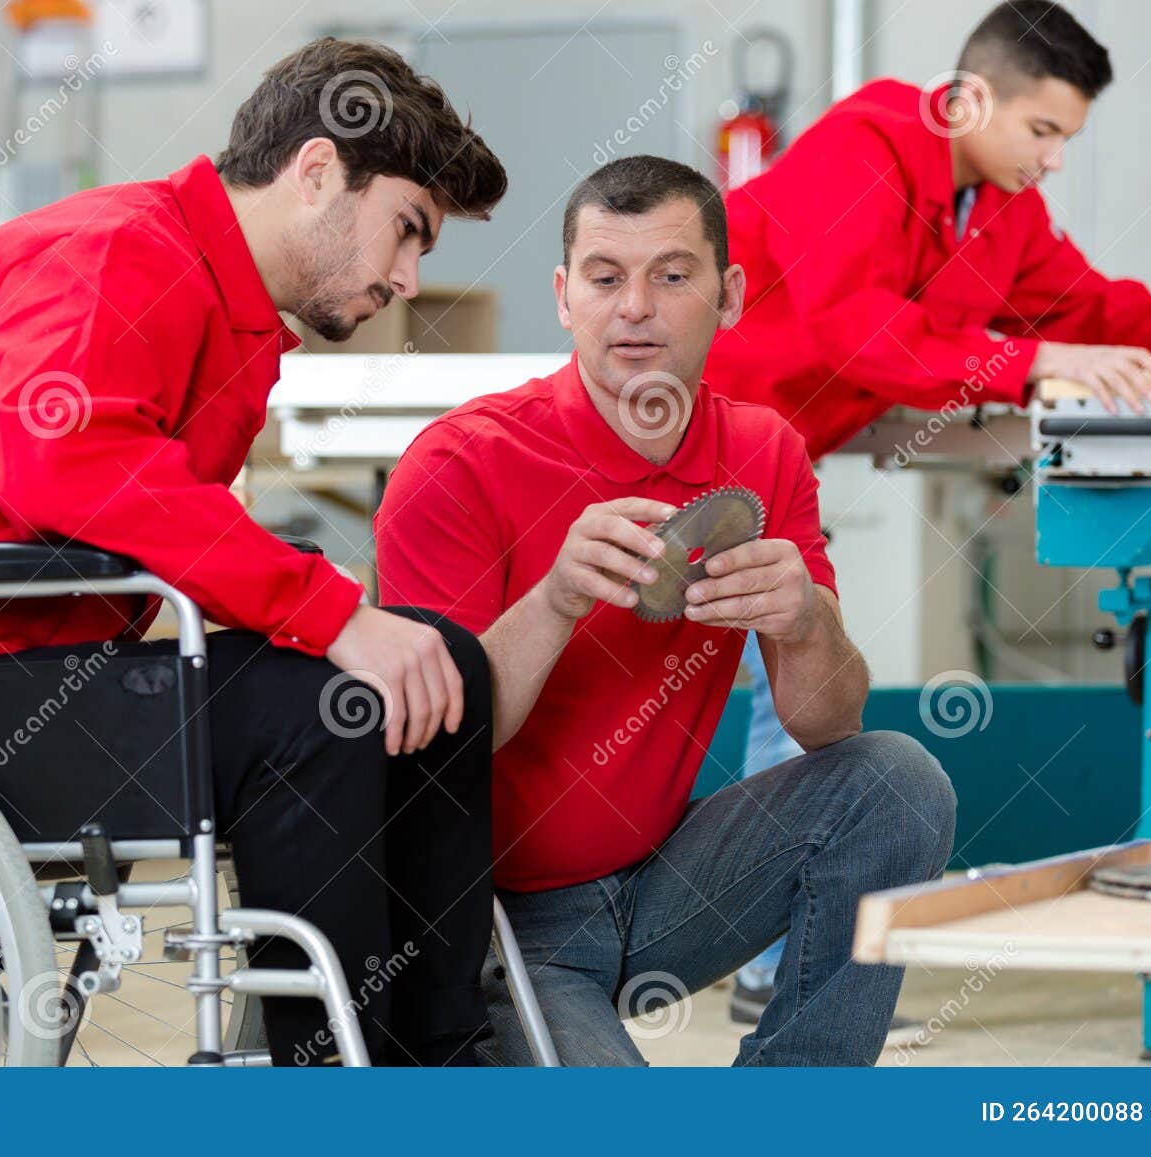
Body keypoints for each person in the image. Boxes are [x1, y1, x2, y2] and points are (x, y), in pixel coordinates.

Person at [0, 38, 509, 1067]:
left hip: (21, 655)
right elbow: (64, 455)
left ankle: (441, 1054)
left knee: (443, 665)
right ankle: (336, 1078)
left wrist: (346, 619)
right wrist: (332, 610)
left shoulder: (218, 297)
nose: (407, 275)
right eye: (406, 231)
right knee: (324, 712)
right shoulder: (119, 250)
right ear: (317, 172)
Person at [703, 0, 1151, 1021]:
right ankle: (741, 959)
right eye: (1041, 131)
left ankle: (764, 963)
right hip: (703, 441)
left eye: (1067, 139)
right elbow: (858, 331)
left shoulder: (1000, 205)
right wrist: (1034, 362)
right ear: (972, 97)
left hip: (781, 462)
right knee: (781, 705)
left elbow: (1079, 304)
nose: (1052, 158)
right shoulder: (862, 148)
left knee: (793, 697)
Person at [375, 155, 957, 1066]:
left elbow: (825, 725)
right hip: (497, 924)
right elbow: (433, 752)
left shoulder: (762, 450)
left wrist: (804, 620)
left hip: (662, 887)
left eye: (672, 276)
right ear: (566, 296)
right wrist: (557, 598)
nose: (635, 307)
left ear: (728, 296)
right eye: (606, 279)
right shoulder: (459, 464)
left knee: (895, 780)